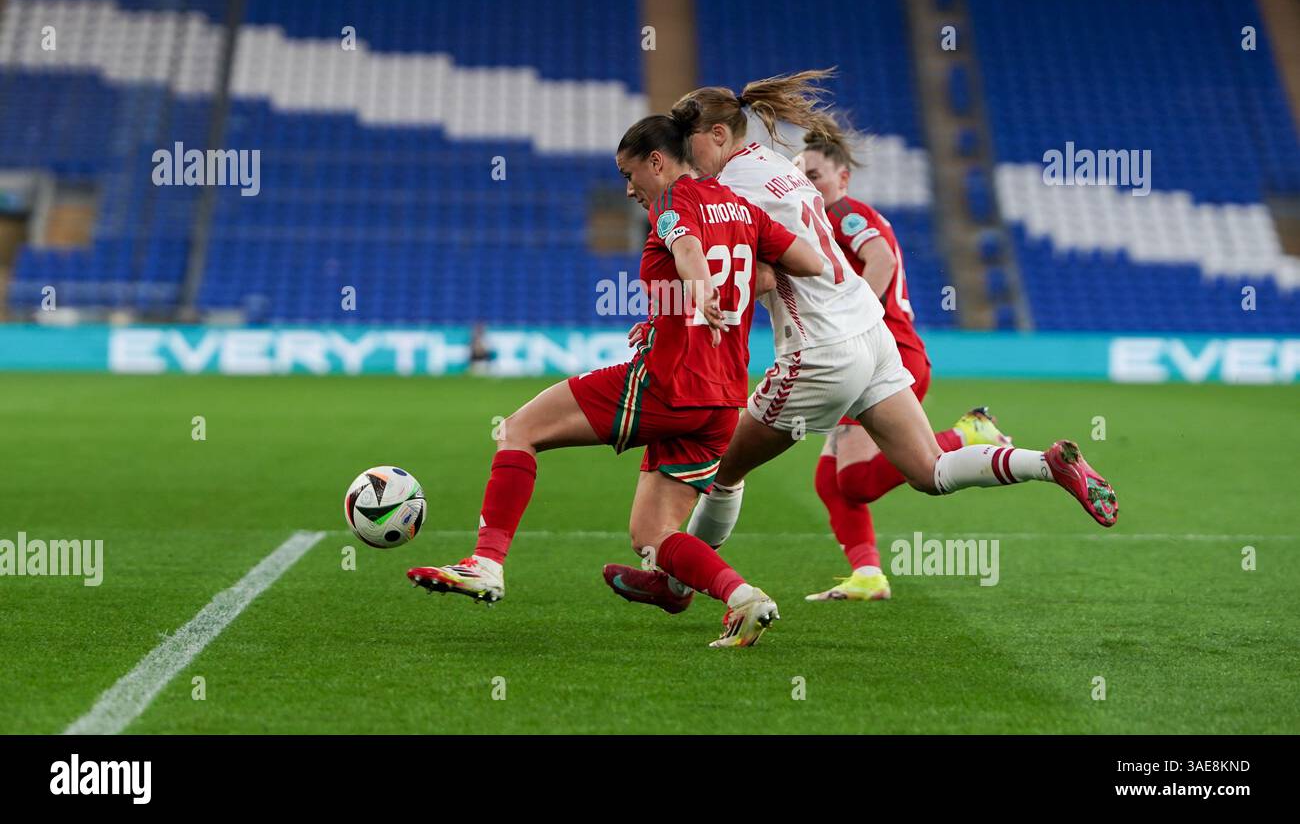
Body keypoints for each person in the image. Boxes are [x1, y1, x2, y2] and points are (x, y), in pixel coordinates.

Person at [604, 71, 1118, 616]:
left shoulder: (728, 189)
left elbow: (759, 276)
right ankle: (1047, 464)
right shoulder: (784, 170)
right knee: (929, 471)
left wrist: (676, 315)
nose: (690, 158)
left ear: (716, 135)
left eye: (693, 145)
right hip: (871, 333)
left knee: (721, 469)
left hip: (819, 350)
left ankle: (675, 584)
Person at [408, 113, 824, 647]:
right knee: (653, 536)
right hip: (722, 399)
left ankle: (486, 562)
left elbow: (690, 251)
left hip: (667, 384)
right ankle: (745, 599)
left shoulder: (673, 202)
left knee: (517, 430)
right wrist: (693, 298)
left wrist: (697, 289)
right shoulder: (744, 210)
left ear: (658, 161)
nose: (629, 189)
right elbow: (809, 261)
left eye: (631, 174)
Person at [796, 127, 1008, 601]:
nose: (807, 185)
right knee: (831, 482)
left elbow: (881, 262)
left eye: (815, 176)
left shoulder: (844, 214)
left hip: (883, 354)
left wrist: (852, 319)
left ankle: (968, 434)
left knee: (855, 480)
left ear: (842, 178)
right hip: (869, 354)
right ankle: (868, 575)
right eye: (799, 177)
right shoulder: (822, 221)